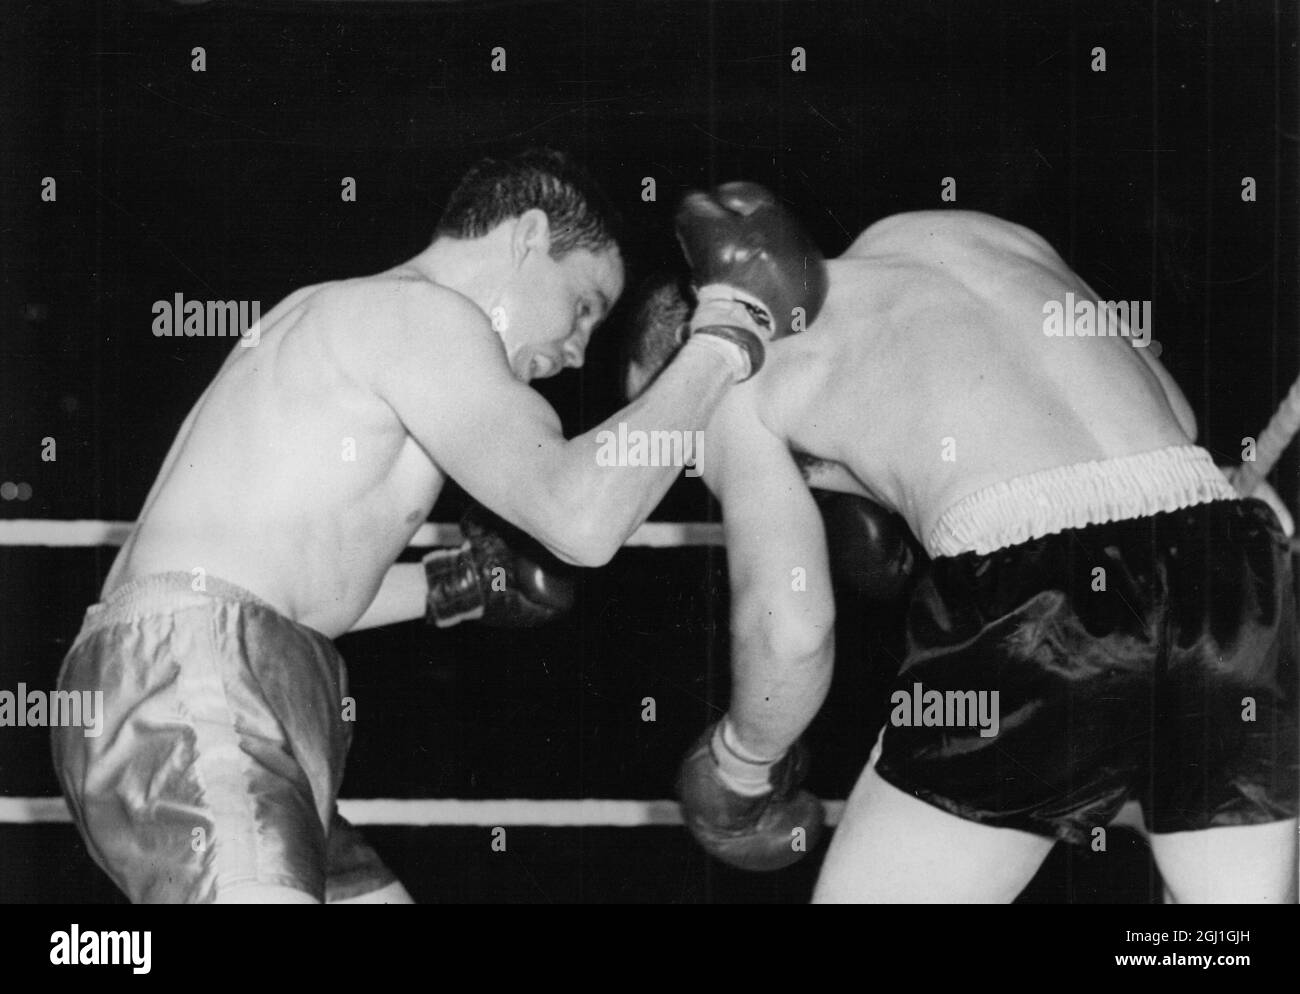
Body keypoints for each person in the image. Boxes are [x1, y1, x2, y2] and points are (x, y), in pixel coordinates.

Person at [52, 150, 819, 904]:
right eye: (582, 303)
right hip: (195, 683)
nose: (577, 349)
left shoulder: (360, 323)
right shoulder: (421, 316)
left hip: (224, 677)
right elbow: (581, 517)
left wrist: (457, 584)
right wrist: (728, 330)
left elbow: (299, 590)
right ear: (526, 236)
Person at [629, 202, 1298, 902]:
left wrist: (740, 766)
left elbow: (790, 630)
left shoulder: (729, 375)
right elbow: (1176, 415)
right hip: (1224, 563)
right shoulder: (957, 232)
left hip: (1039, 606)